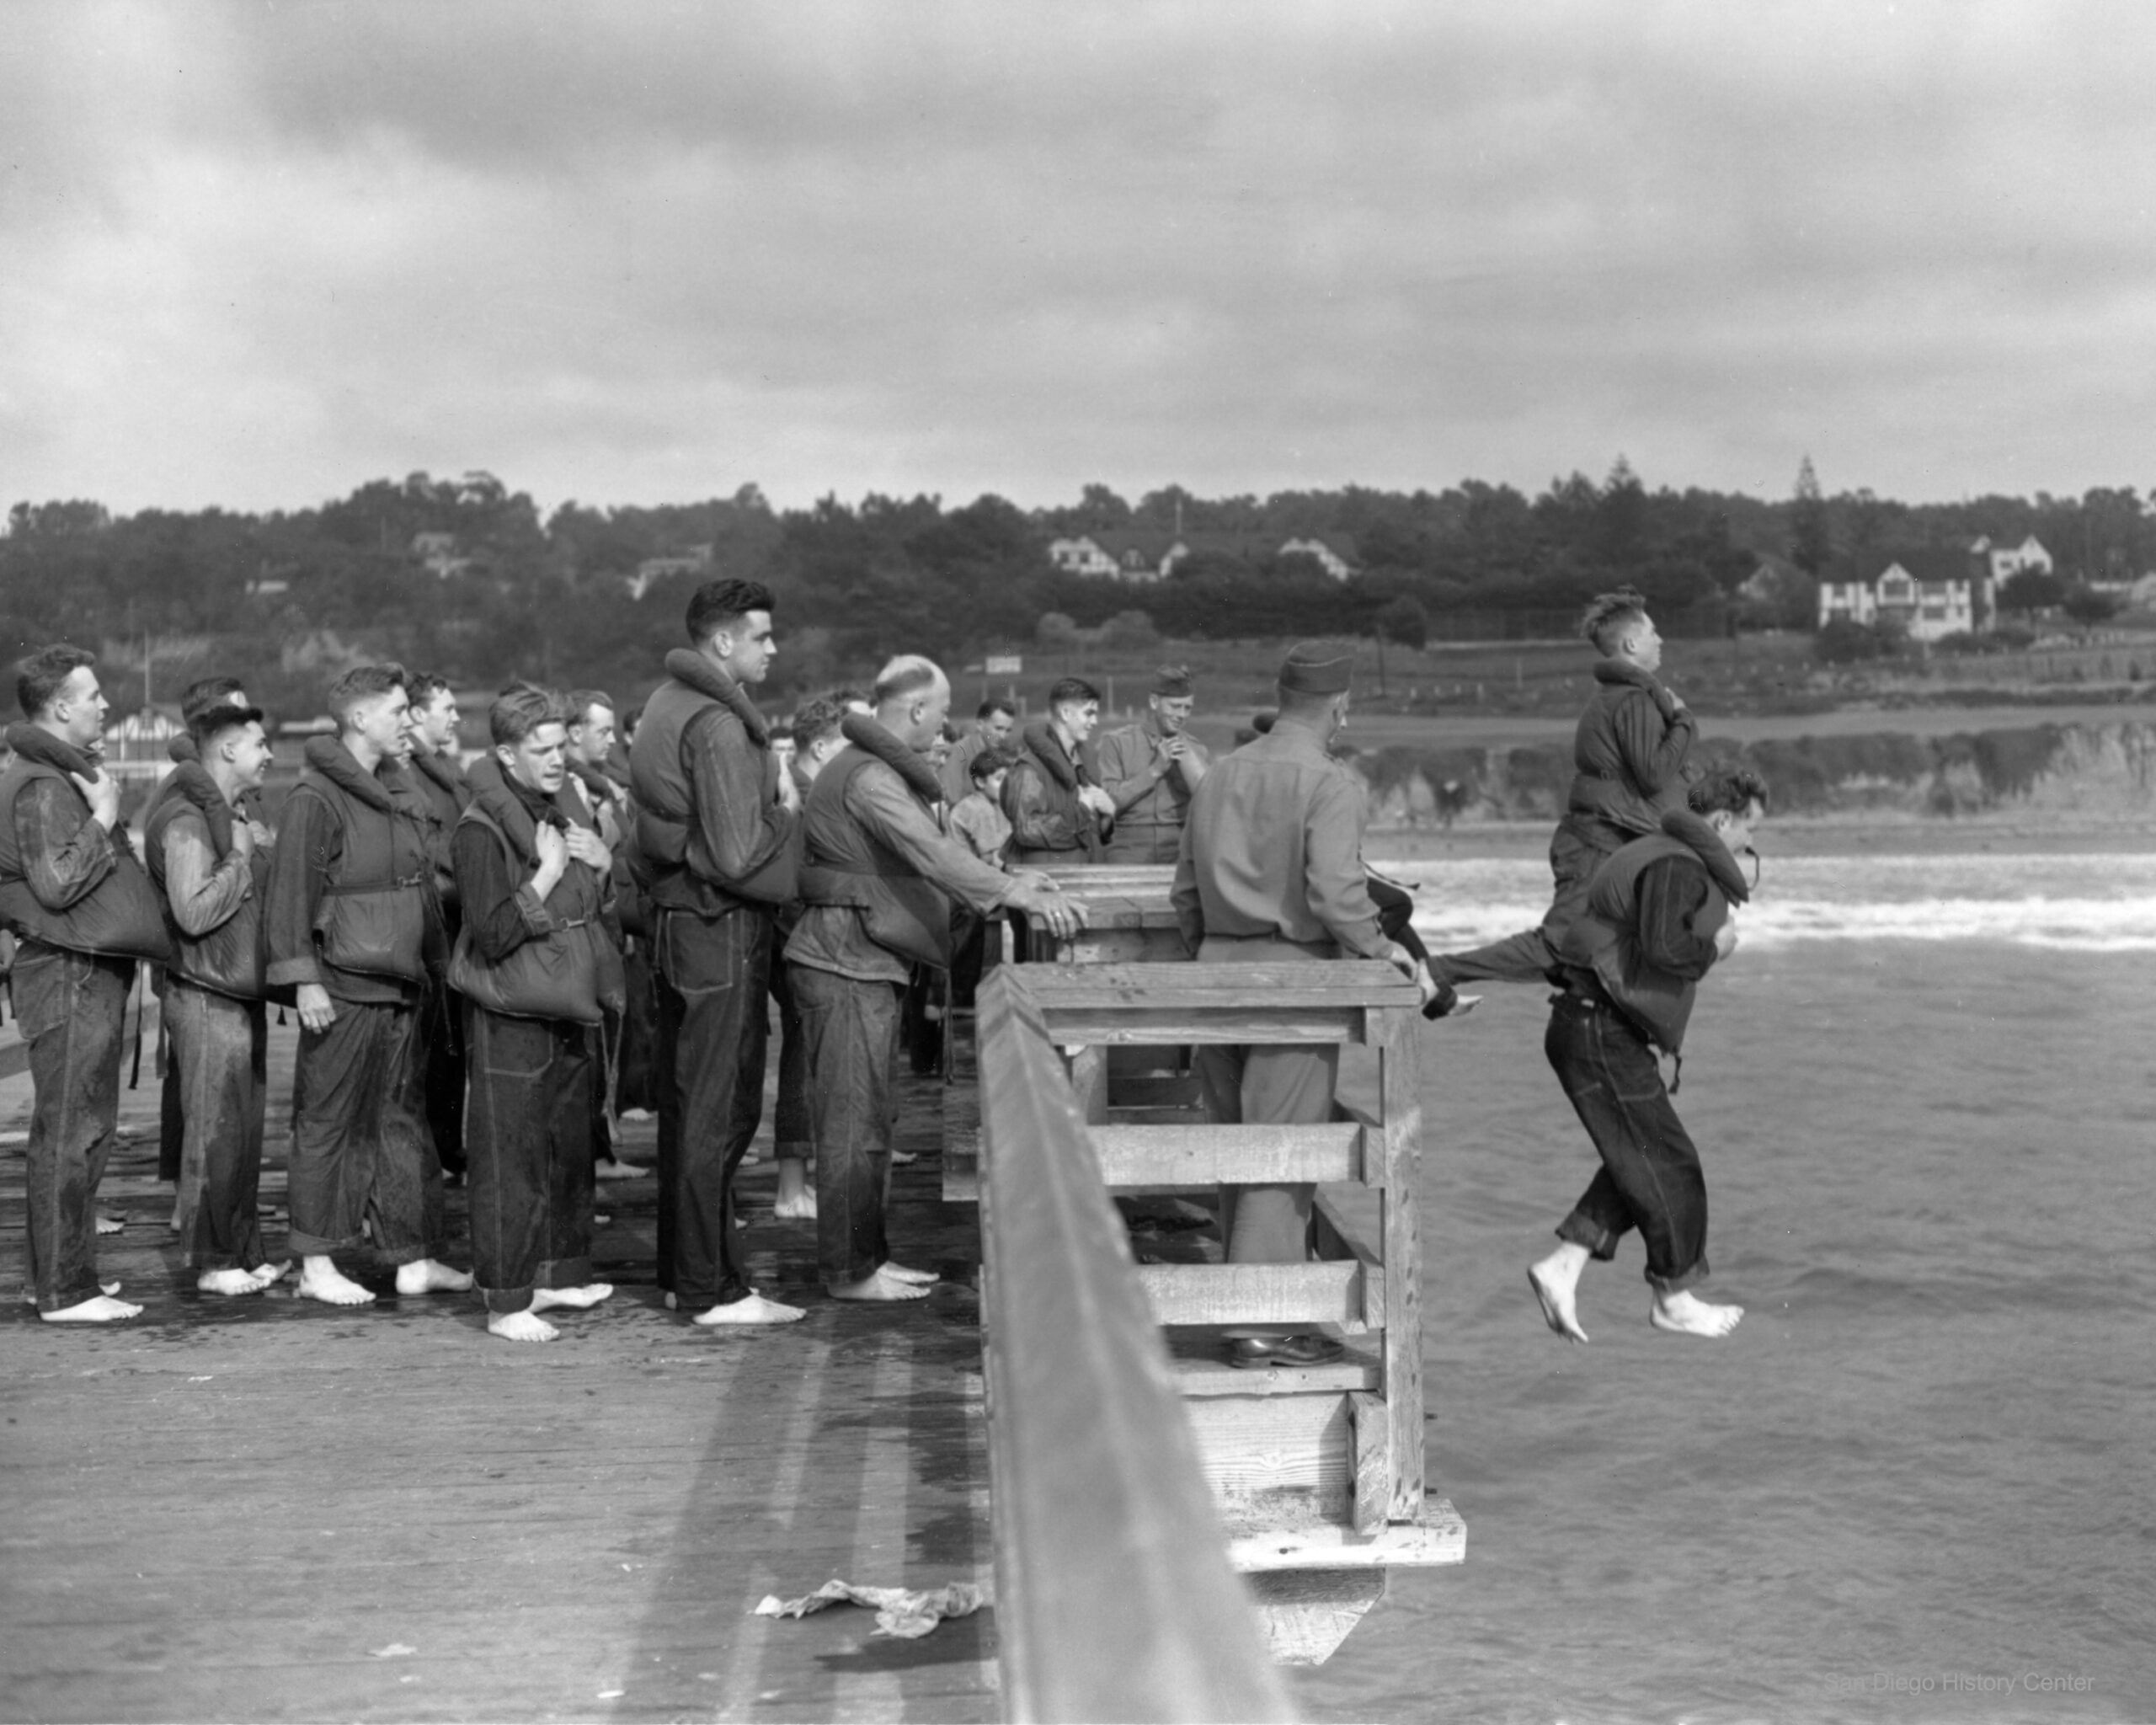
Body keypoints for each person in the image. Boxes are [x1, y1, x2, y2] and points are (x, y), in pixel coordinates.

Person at [1171, 641, 1440, 1368]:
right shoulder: (1331, 781)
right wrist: (1379, 949)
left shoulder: (1220, 774)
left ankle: (1250, 1308)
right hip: (1292, 983)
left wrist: (1212, 953)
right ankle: (1259, 1323)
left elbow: (1185, 895)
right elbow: (1335, 892)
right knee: (1281, 1158)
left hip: (1212, 975)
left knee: (1237, 1153)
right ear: (1341, 706)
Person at [786, 656, 1083, 1300]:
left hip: (863, 958)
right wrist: (1014, 893)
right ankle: (848, 1271)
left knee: (871, 1121)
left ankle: (869, 1256)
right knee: (850, 1122)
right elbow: (933, 851)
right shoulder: (868, 776)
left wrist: (1009, 884)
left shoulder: (869, 768)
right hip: (843, 961)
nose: (949, 724)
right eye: (943, 712)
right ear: (916, 710)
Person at [1526, 768, 1766, 1346]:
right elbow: (1666, 946)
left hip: (1595, 1029)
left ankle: (1564, 1266)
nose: (1750, 845)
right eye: (1749, 831)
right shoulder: (1677, 863)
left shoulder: (1667, 855)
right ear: (1724, 820)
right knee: (1670, 1163)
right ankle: (1673, 1296)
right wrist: (1714, 948)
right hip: (1596, 1029)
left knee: (1641, 1161)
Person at [265, 664, 472, 1308]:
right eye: (398, 709)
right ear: (359, 718)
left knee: (402, 1124)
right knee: (328, 1123)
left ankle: (411, 1257)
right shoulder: (315, 798)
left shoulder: (393, 792)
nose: (408, 719)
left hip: (401, 985)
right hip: (344, 985)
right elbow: (291, 896)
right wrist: (304, 981)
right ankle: (316, 1262)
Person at [629, 577, 804, 1326]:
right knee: (718, 1109)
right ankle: (712, 1291)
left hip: (676, 925)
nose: (774, 647)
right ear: (723, 641)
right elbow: (737, 855)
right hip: (720, 929)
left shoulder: (667, 702)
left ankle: (684, 1273)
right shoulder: (720, 723)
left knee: (684, 1106)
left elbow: (677, 834)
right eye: (763, 636)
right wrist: (788, 816)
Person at [0, 646, 172, 1322]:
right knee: (74, 1129)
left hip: (75, 971)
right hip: (67, 972)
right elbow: (57, 882)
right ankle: (66, 1292)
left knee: (72, 1127)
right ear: (60, 707)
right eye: (93, 694)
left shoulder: (47, 774)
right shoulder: (43, 784)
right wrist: (103, 815)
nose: (106, 705)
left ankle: (52, 1280)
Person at [451, 684, 622, 1343]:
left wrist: (601, 866)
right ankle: (505, 1298)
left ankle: (554, 1275)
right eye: (541, 749)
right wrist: (546, 876)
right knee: (509, 1157)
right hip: (512, 1010)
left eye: (560, 747)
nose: (557, 761)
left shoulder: (558, 809)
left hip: (566, 1001)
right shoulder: (479, 829)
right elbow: (492, 933)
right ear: (505, 752)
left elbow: (588, 905)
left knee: (563, 1147)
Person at [1430, 589, 1699, 990]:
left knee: (1596, 947)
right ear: (1630, 643)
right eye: (1653, 633)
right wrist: (1683, 722)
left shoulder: (1617, 697)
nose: (1661, 640)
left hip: (1602, 841)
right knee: (1558, 946)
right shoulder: (1633, 701)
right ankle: (1437, 972)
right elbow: (1653, 774)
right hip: (1596, 844)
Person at [144, 698, 288, 1295]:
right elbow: (193, 909)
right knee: (214, 1132)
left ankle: (241, 1251)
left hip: (234, 992)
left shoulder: (226, 811)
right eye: (259, 744)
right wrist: (241, 857)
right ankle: (213, 1261)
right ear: (228, 749)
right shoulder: (186, 817)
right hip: (205, 993)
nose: (270, 754)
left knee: (243, 1132)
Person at [150, 676, 253, 1226]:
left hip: (209, 965)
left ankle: (200, 1207)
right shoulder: (190, 795)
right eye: (239, 718)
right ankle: (196, 1214)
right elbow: (191, 904)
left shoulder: (208, 787)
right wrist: (242, 857)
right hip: (200, 967)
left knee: (198, 1090)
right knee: (201, 1093)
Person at [562, 689, 642, 1184]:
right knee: (589, 1056)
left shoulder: (602, 784)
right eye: (602, 730)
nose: (611, 740)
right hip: (586, 936)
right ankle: (593, 1158)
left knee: (603, 1051)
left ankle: (601, 1152)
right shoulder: (573, 788)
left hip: (611, 926)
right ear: (574, 733)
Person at [403, 672, 472, 1185]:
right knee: (432, 1047)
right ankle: (432, 1150)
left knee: (451, 1049)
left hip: (455, 924)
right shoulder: (410, 777)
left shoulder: (445, 771)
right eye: (445, 708)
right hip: (433, 926)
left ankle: (447, 1146)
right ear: (417, 713)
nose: (455, 716)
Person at [1097, 665, 1210, 863]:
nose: (1182, 715)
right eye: (1175, 707)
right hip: (1129, 848)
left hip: (1178, 849)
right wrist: (1154, 771)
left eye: (1187, 708)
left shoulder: (1196, 751)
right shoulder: (1117, 743)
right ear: (1153, 702)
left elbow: (1209, 804)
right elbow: (1108, 804)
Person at [1004, 677, 1114, 864]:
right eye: (1089, 713)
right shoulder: (1029, 769)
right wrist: (1083, 811)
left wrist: (1106, 819)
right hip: (1047, 882)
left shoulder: (1084, 768)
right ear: (1065, 713)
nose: (1095, 721)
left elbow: (1089, 833)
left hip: (1082, 878)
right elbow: (1026, 829)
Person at [938, 697, 1017, 806]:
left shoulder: (1003, 755)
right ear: (980, 725)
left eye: (1008, 730)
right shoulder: (960, 752)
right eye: (998, 728)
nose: (1003, 736)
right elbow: (950, 801)